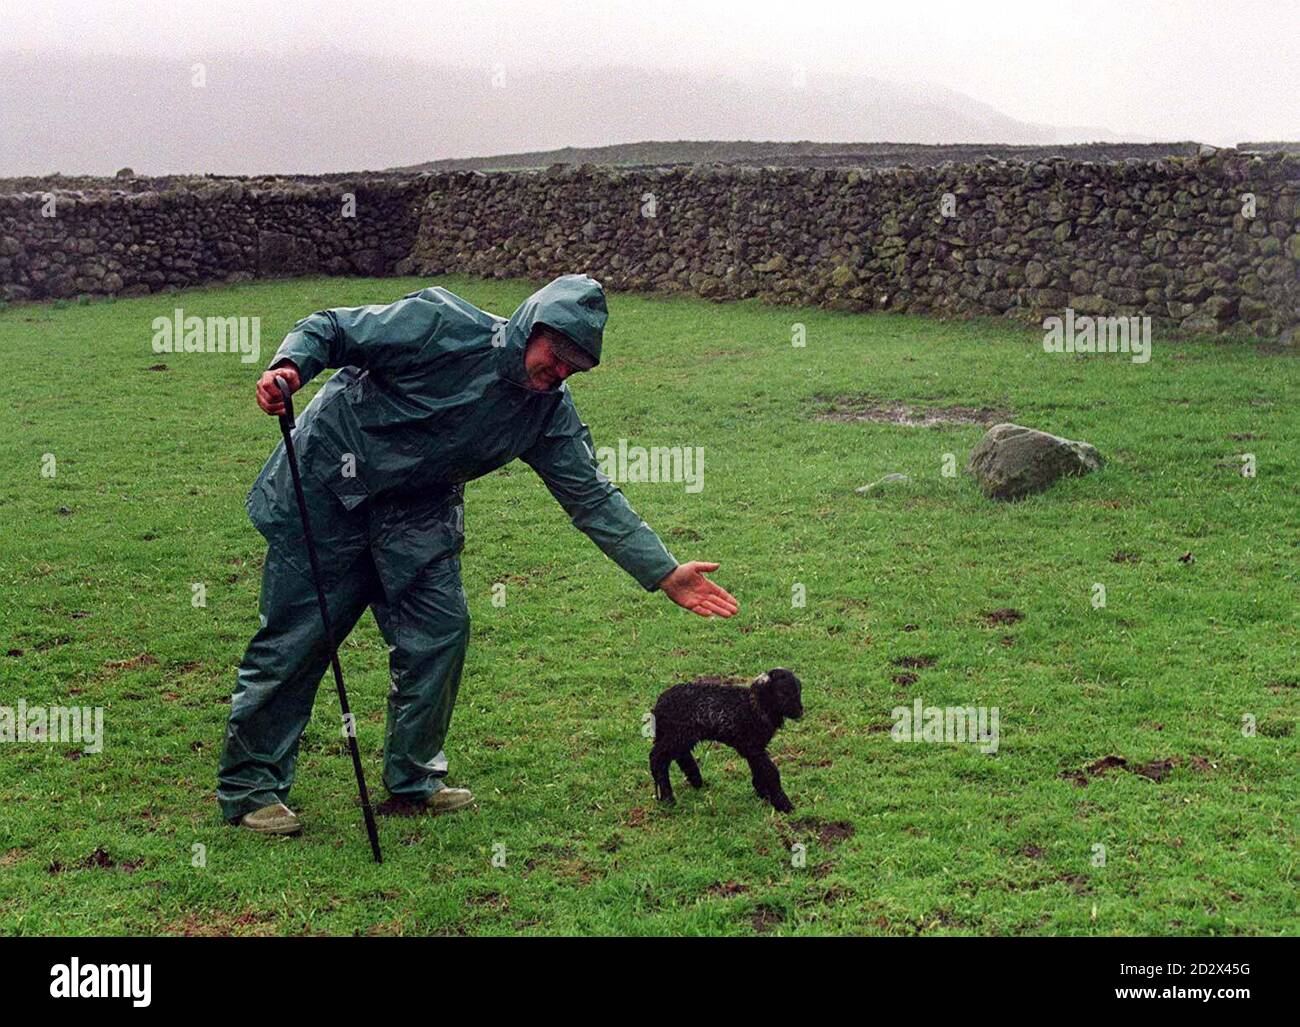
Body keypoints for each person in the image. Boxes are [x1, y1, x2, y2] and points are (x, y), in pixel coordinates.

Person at [216, 274, 738, 834]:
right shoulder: (440, 323)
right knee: (296, 641)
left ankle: (414, 778)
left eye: (575, 366)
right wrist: (290, 367)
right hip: (326, 492)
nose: (559, 371)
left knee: (440, 633)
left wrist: (662, 571)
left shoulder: (546, 413)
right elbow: (334, 327)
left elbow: (591, 497)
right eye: (557, 354)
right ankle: (252, 787)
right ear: (530, 325)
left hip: (419, 518)